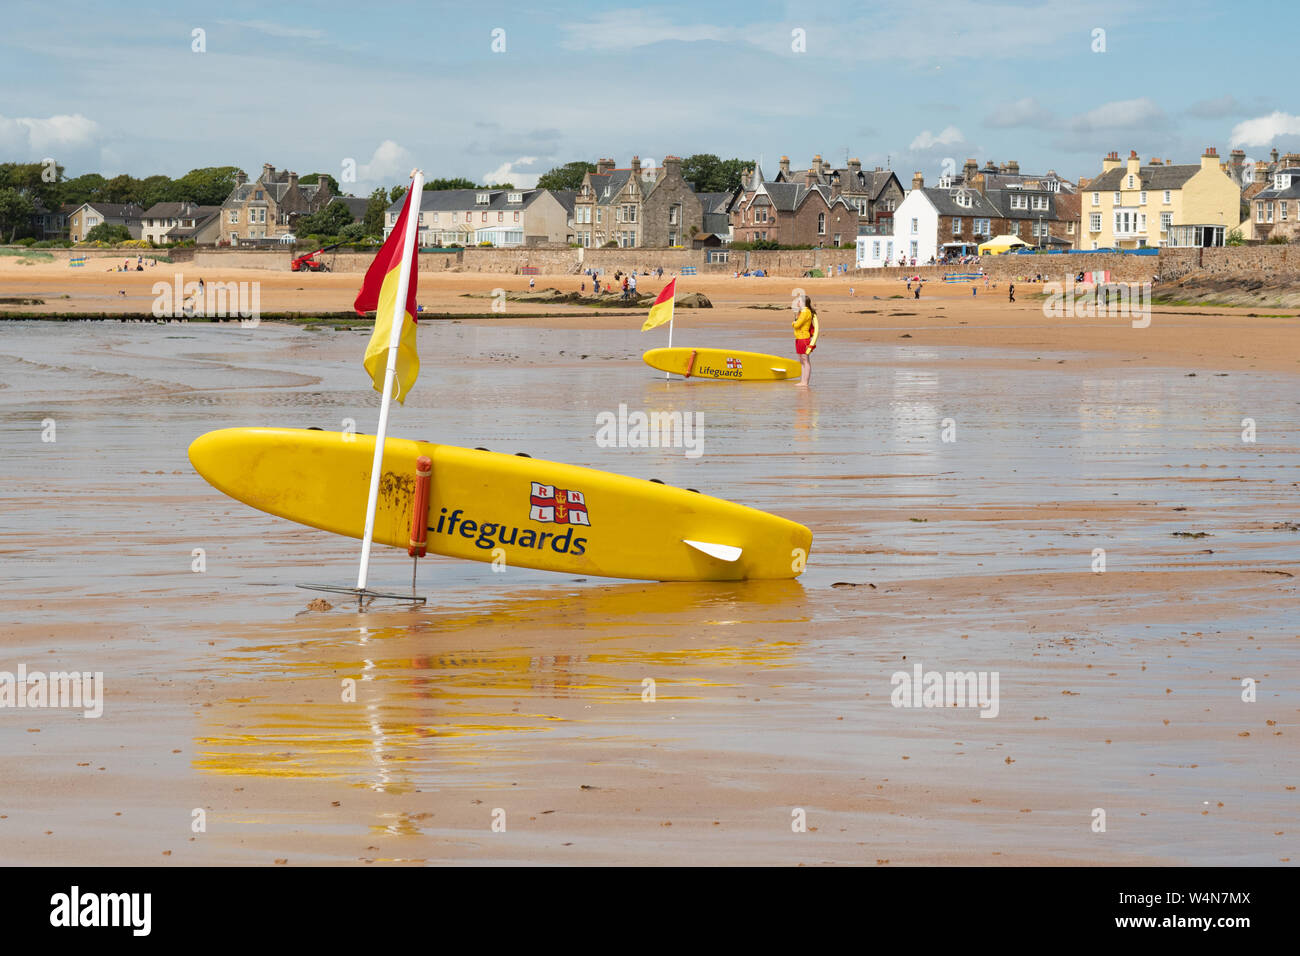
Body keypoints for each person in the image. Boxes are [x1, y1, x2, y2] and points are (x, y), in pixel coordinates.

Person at [792, 294, 819, 388]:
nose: (797, 302)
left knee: (805, 360)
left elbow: (797, 325)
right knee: (802, 360)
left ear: (803, 302)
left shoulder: (806, 312)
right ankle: (802, 381)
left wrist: (793, 323)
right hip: (799, 338)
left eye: (799, 301)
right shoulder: (802, 312)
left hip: (804, 339)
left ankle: (805, 382)